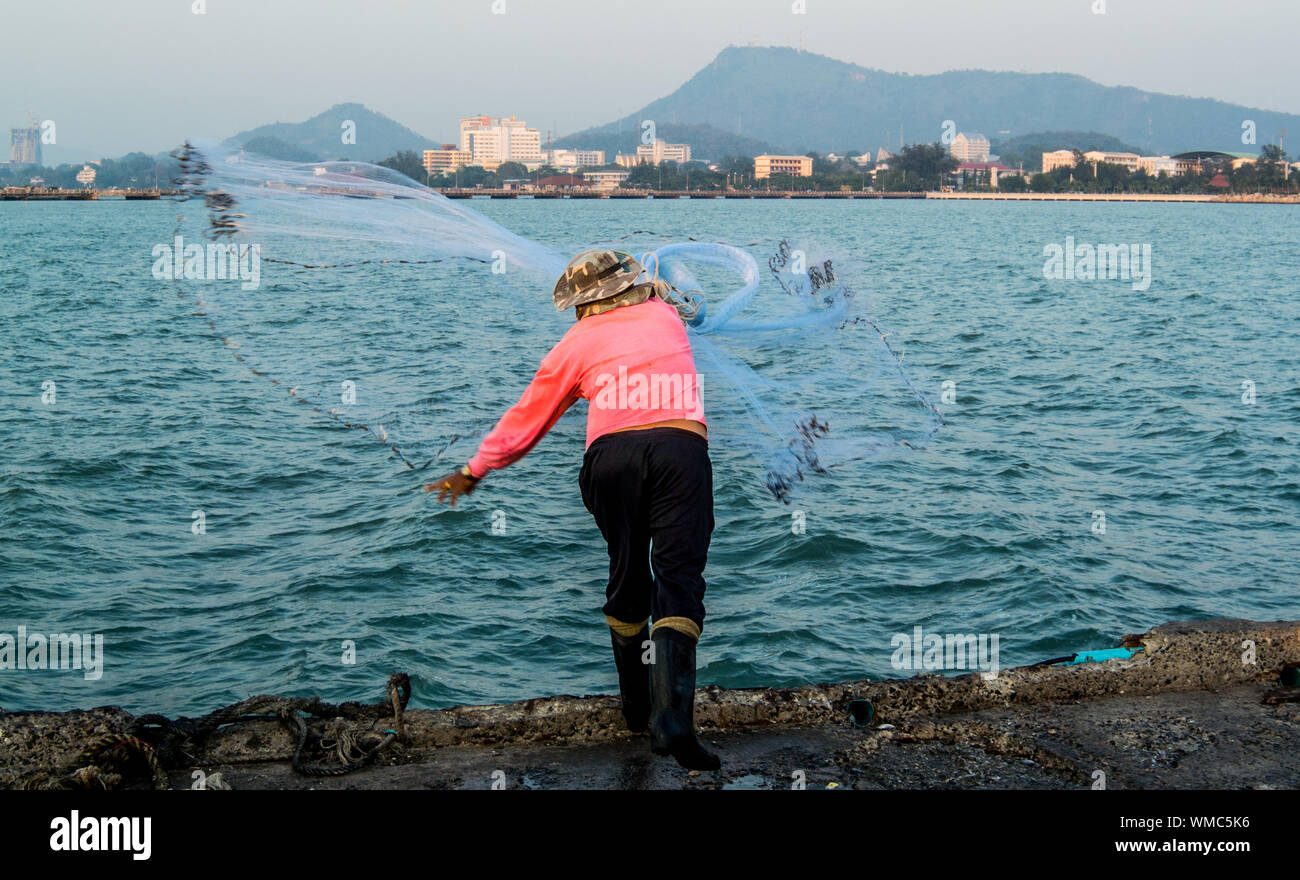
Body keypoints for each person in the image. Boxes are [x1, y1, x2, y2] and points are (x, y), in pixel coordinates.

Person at [425, 249, 720, 770]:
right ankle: (672, 719)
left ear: (584, 304)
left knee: (627, 573)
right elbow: (685, 301)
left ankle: (634, 708)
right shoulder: (666, 313)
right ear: (633, 285)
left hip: (610, 461)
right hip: (680, 450)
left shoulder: (577, 342)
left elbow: (530, 416)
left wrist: (475, 470)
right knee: (678, 578)